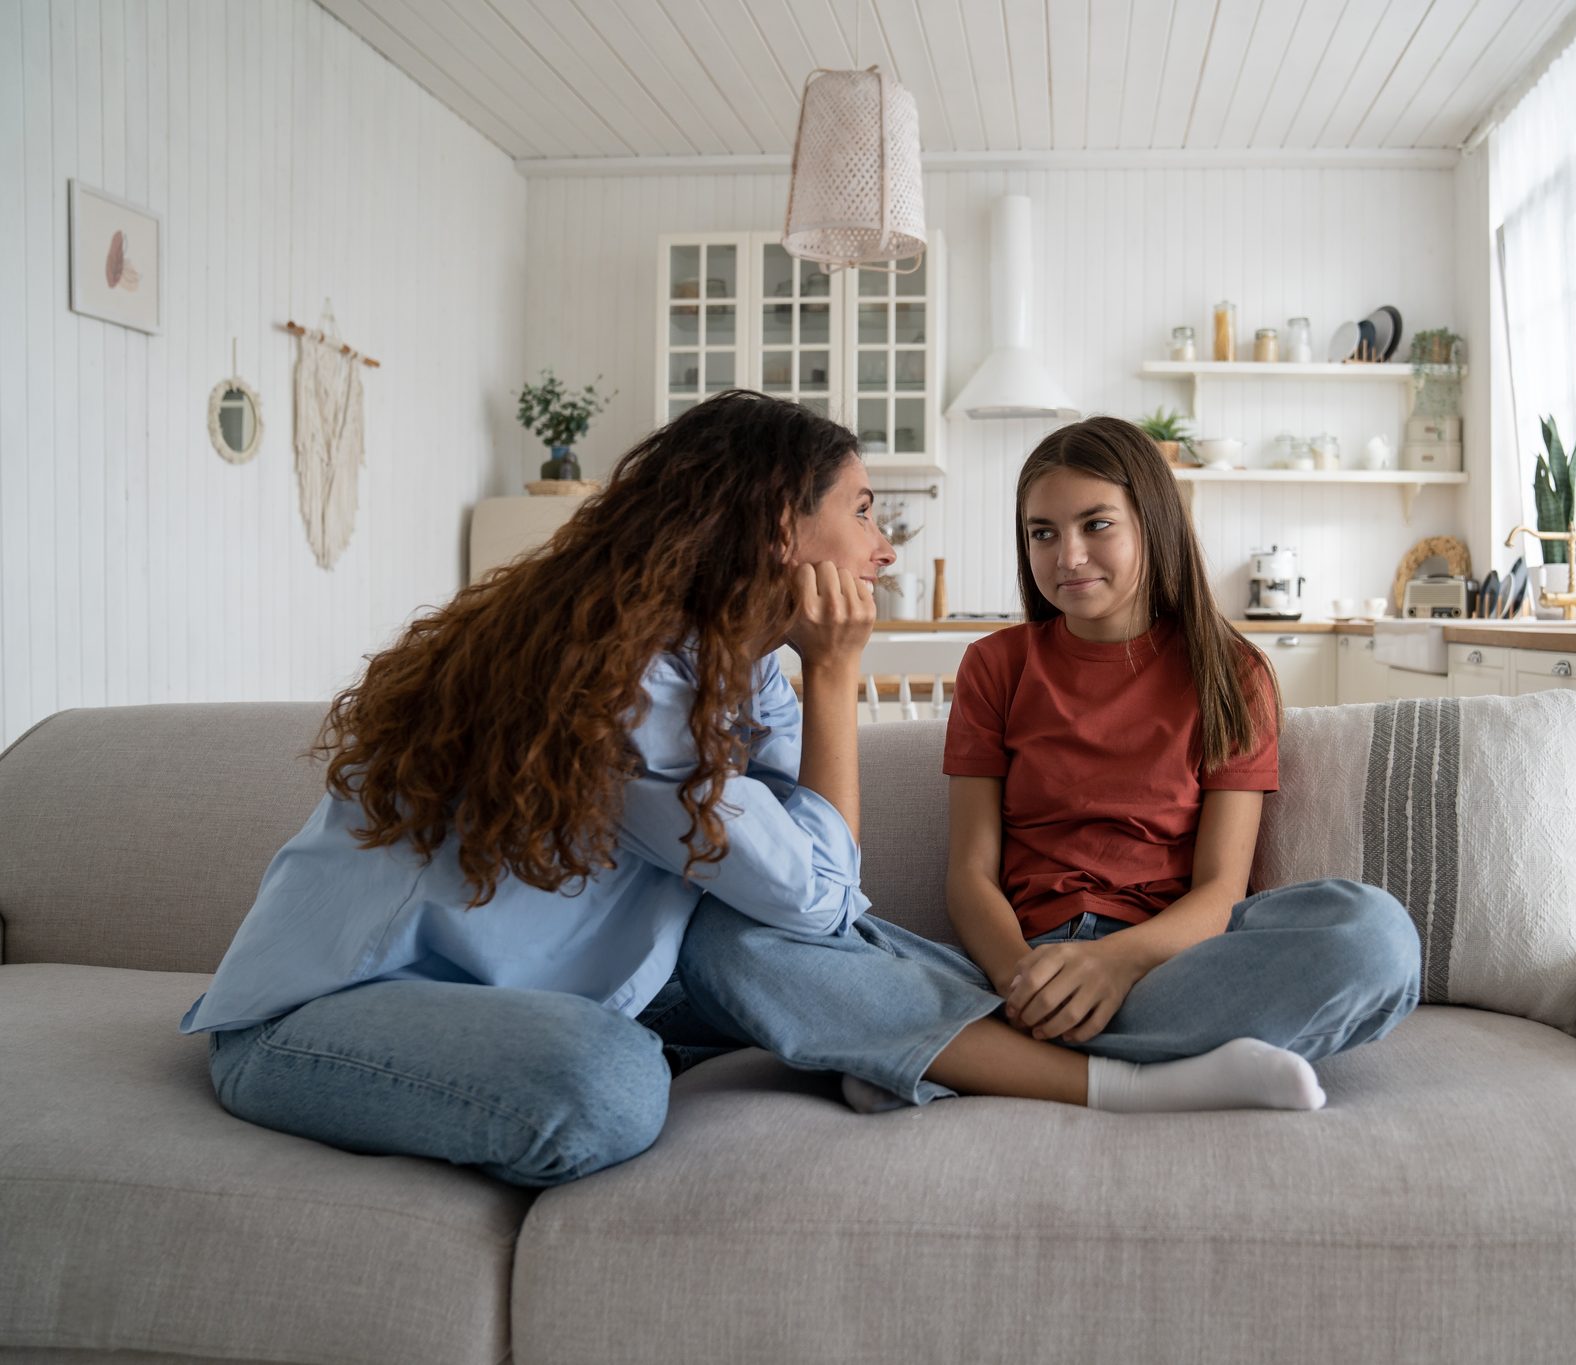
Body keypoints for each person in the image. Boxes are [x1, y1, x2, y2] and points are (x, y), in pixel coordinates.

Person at [182, 391, 902, 1186]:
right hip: (318, 1019)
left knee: (761, 952)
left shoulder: (733, 663)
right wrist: (833, 672)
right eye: (863, 511)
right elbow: (818, 894)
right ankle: (888, 1044)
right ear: (779, 526)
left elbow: (815, 888)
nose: (885, 549)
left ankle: (947, 1039)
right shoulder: (629, 690)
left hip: (520, 996)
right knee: (611, 1083)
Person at [676, 416, 1421, 1114]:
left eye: (1096, 525)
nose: (1067, 556)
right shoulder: (995, 666)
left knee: (1373, 934)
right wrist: (1019, 978)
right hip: (1004, 974)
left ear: (1154, 525)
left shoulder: (1232, 671)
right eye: (1042, 533)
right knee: (728, 941)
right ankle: (1094, 1071)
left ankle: (948, 1054)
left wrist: (1113, 965)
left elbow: (1220, 890)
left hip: (1160, 969)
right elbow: (971, 875)